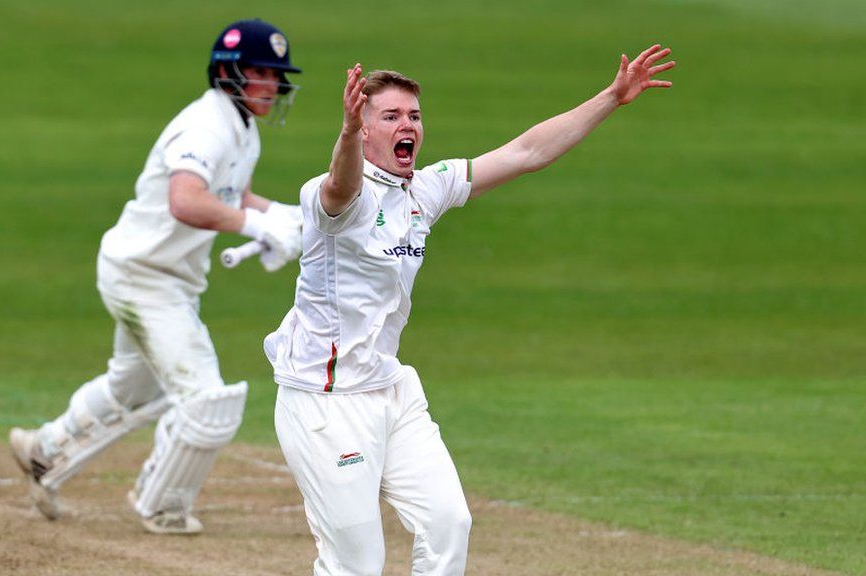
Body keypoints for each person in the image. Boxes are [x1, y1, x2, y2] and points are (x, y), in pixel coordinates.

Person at [265, 45, 675, 574]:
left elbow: (527, 152)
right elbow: (339, 186)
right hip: (324, 401)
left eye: (413, 115)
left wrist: (612, 97)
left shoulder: (424, 189)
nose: (405, 125)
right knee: (356, 564)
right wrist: (344, 136)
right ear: (362, 130)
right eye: (389, 117)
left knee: (448, 523)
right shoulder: (335, 198)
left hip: (390, 388)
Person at [9, 18, 305, 534]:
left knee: (132, 390)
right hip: (144, 278)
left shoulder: (242, 128)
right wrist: (255, 224)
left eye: (277, 76)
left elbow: (230, 195)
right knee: (207, 401)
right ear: (229, 72)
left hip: (161, 275)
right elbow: (186, 200)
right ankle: (161, 506)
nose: (272, 86)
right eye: (261, 73)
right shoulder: (205, 127)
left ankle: (43, 450)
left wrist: (282, 216)